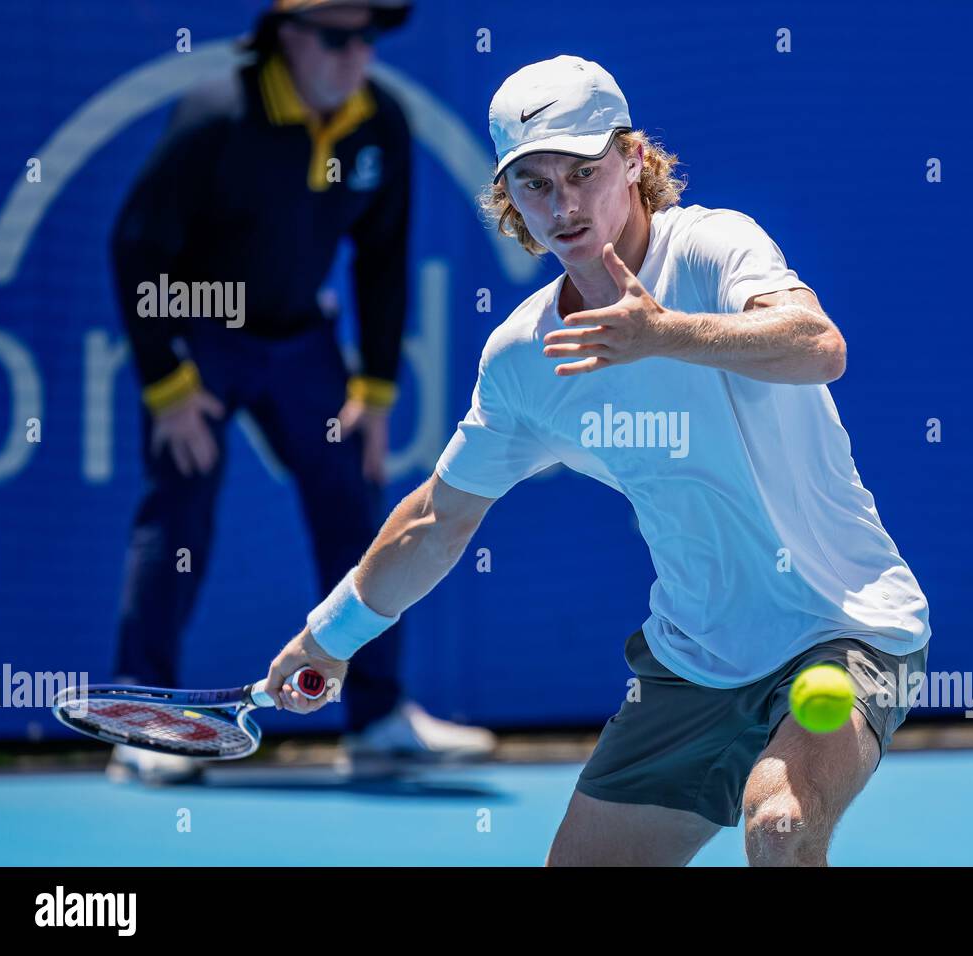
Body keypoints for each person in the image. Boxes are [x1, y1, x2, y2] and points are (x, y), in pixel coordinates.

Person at [265, 55, 931, 866]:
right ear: (510, 201)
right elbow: (441, 518)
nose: (565, 204)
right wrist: (330, 636)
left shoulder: (715, 249)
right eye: (536, 184)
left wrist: (666, 333)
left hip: (851, 624)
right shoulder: (522, 357)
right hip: (696, 658)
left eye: (583, 171)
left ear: (635, 161)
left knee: (779, 823)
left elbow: (819, 346)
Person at [107, 0, 494, 784]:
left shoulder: (378, 120)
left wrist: (377, 393)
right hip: (201, 332)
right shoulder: (217, 115)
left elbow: (382, 261)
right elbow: (135, 247)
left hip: (301, 341)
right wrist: (169, 384)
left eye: (368, 37)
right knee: (179, 512)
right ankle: (140, 725)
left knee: (356, 499)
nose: (357, 54)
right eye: (335, 37)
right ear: (286, 36)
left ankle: (377, 717)